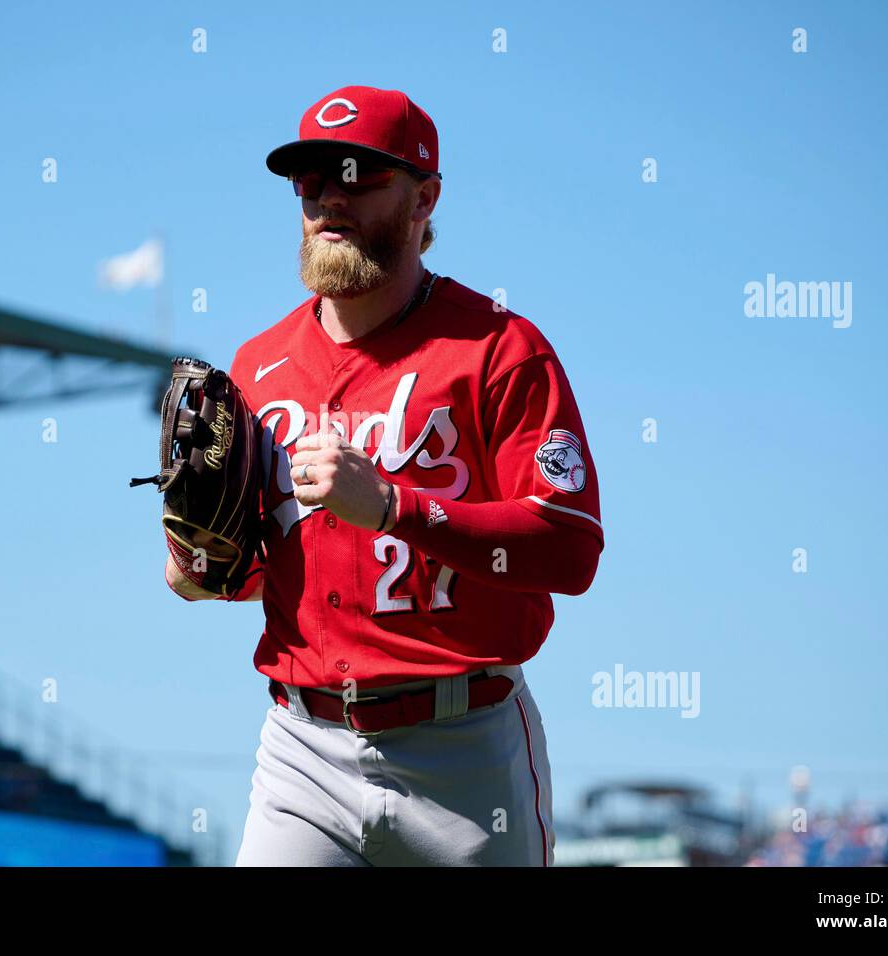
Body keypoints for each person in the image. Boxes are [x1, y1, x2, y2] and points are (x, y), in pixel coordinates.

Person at [165, 85, 604, 866]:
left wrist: (400, 507)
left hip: (464, 751)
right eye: (309, 181)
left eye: (358, 174)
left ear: (424, 199)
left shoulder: (498, 348)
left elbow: (569, 550)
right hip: (302, 748)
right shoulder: (257, 368)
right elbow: (258, 573)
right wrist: (202, 566)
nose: (330, 196)